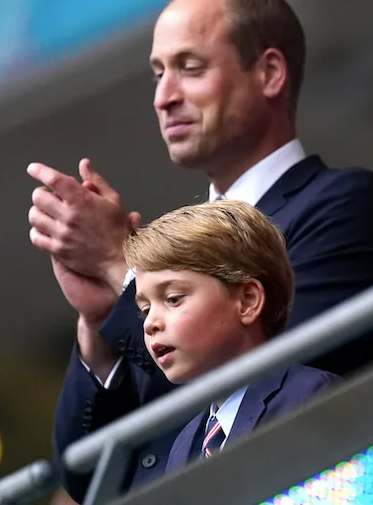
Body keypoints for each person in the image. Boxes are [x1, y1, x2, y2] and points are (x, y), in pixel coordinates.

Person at [28, 0, 373, 498]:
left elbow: (275, 377)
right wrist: (101, 322)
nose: (164, 97)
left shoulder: (344, 203)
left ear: (270, 73)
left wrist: (124, 270)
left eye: (190, 67)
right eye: (159, 73)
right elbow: (87, 476)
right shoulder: (151, 275)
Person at [125, 200, 340, 475]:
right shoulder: (186, 441)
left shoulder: (309, 397)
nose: (151, 323)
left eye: (173, 299)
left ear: (248, 301)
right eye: (145, 310)